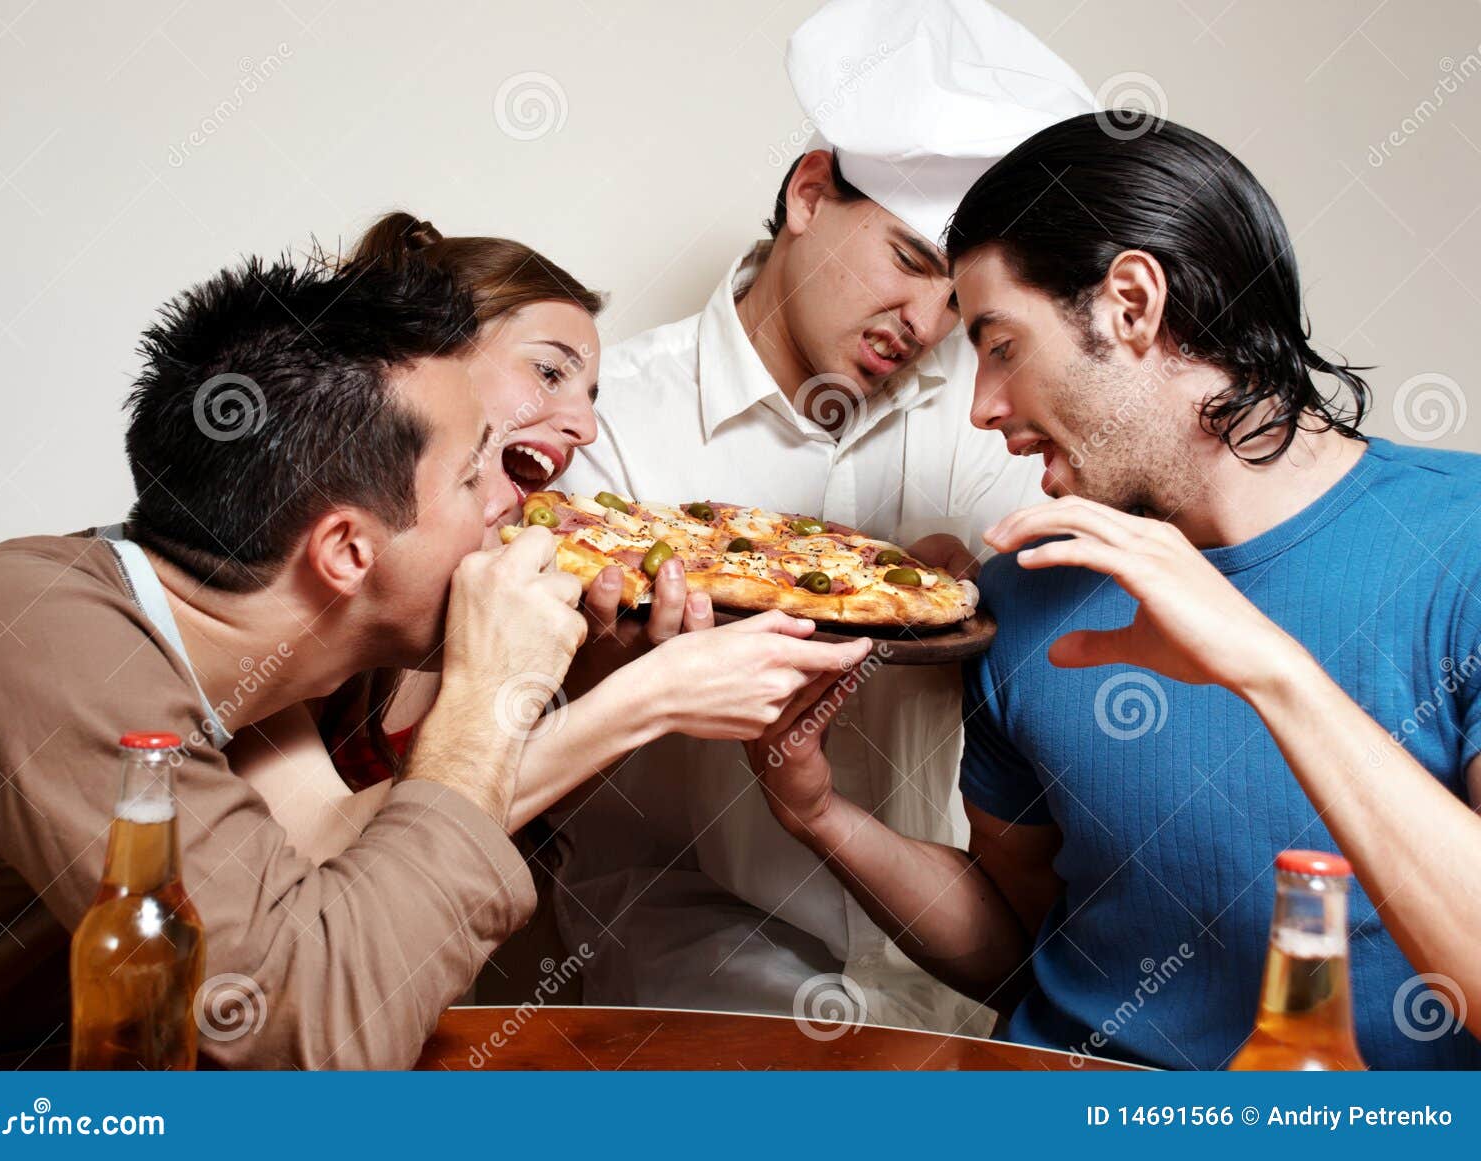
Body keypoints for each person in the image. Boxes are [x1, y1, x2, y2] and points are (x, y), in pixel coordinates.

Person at [0, 249, 859, 1070]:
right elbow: (314, 1037)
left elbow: (304, 913)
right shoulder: (44, 645)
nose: (512, 510)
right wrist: (499, 691)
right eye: (472, 477)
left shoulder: (223, 656)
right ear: (347, 550)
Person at [749, 110, 1481, 1069]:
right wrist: (818, 814)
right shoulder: (1028, 594)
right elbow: (1023, 950)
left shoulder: (1460, 543)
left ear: (1132, 304)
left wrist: (1271, 672)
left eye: (1001, 345)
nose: (982, 409)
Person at [547, 0, 1093, 1032]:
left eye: (958, 301)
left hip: (951, 971)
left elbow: (1068, 661)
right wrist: (610, 670)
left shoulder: (993, 415)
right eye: (909, 262)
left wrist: (980, 592)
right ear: (808, 193)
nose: (924, 326)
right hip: (694, 970)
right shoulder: (610, 420)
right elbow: (524, 749)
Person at [229, 214, 870, 866]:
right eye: (548, 371)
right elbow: (331, 853)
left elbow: (519, 825)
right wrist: (651, 698)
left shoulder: (496, 587)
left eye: (591, 395)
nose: (587, 428)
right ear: (427, 366)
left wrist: (608, 669)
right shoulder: (276, 568)